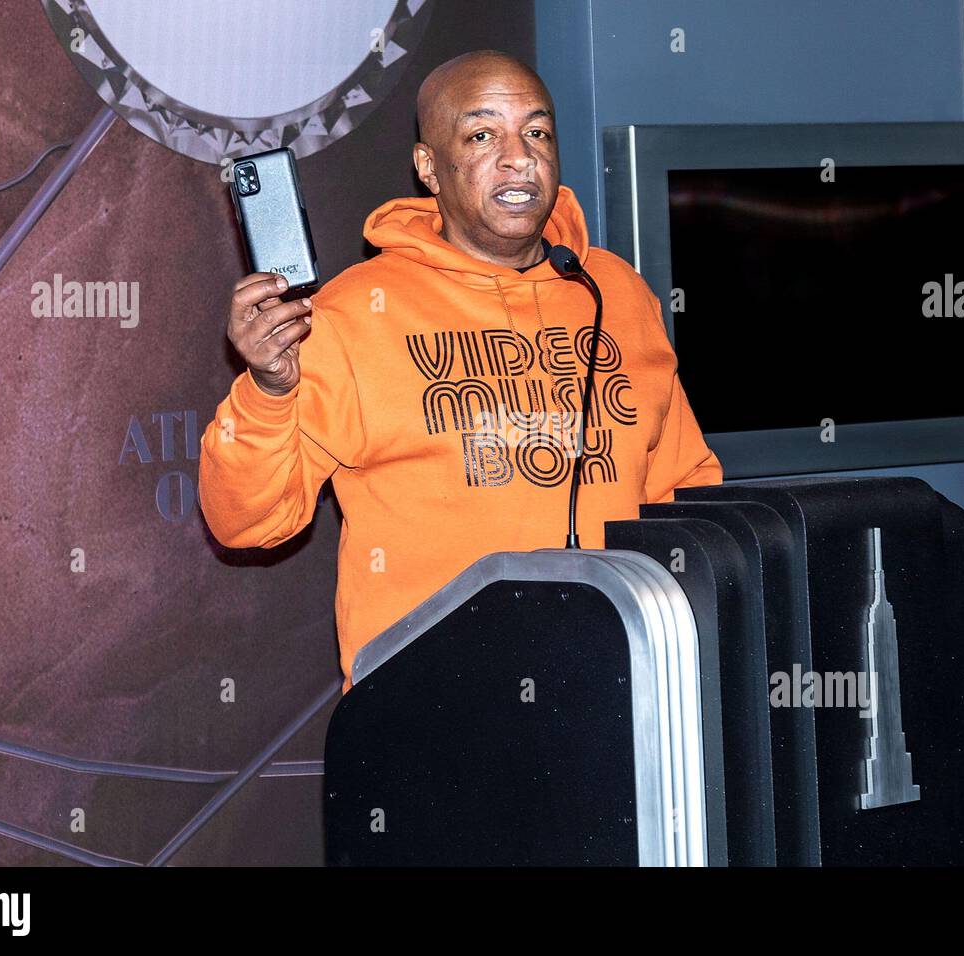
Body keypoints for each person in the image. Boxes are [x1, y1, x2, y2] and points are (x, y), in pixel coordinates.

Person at [198, 50, 723, 693]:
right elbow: (246, 522)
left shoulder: (615, 291)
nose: (519, 157)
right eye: (481, 135)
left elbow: (685, 489)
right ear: (428, 168)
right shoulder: (352, 312)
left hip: (618, 685)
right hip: (434, 703)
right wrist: (269, 391)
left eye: (537, 132)